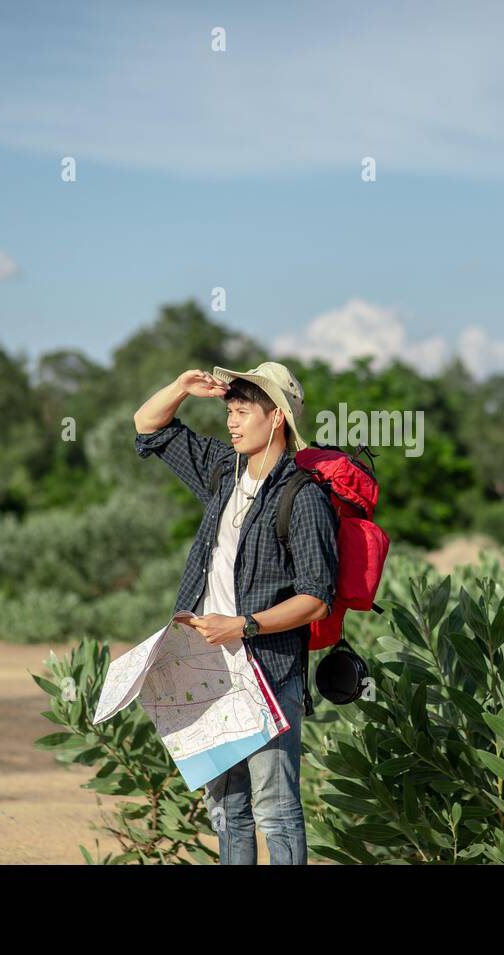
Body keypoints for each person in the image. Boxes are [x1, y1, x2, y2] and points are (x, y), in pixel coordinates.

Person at [132, 362, 339, 865]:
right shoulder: (224, 470)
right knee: (228, 808)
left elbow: (316, 598)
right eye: (229, 410)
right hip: (210, 668)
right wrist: (181, 386)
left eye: (243, 411)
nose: (231, 421)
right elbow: (148, 426)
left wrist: (244, 625)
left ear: (277, 419)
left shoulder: (304, 497)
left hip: (268, 670)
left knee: (276, 808)